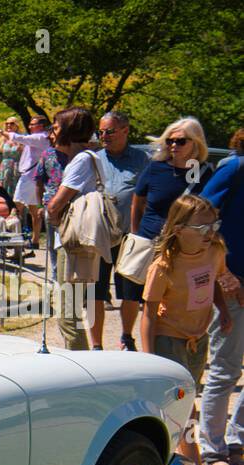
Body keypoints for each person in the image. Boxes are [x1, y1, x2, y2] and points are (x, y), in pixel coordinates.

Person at [141, 193, 234, 465]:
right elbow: (149, 316)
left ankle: (167, 456)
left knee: (174, 412)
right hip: (170, 339)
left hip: (199, 338)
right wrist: (150, 358)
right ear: (178, 229)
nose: (211, 231)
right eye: (203, 226)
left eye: (214, 224)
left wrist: (224, 311)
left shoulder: (214, 252)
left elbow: (216, 282)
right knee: (187, 410)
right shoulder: (163, 266)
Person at [198, 128, 244, 465]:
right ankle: (213, 449)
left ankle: (238, 441)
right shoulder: (234, 168)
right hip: (233, 284)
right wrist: (223, 271)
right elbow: (201, 219)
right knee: (225, 367)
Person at [44, 106, 102, 349]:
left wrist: (51, 215)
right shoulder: (92, 157)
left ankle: (80, 365)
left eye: (56, 128)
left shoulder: (79, 160)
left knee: (68, 314)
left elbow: (55, 205)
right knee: (73, 310)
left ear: (69, 130)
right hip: (83, 245)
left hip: (73, 245)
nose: (51, 133)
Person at [92, 111, 150, 350]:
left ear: (126, 131)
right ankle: (96, 345)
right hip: (99, 235)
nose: (104, 136)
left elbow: (148, 194)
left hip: (130, 236)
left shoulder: (142, 159)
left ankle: (126, 337)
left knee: (130, 291)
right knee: (95, 290)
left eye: (110, 131)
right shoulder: (94, 158)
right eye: (101, 131)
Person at [132, 117, 212, 249]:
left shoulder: (204, 173)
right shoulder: (155, 168)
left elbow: (209, 213)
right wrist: (135, 235)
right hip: (148, 243)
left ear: (195, 142)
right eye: (170, 141)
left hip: (184, 247)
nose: (174, 145)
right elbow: (137, 203)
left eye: (181, 141)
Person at [0, 114, 51, 245]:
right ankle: (35, 240)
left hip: (29, 178)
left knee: (15, 207)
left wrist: (1, 132)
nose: (29, 126)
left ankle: (11, 240)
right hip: (34, 177)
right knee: (33, 210)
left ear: (40, 126)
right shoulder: (41, 138)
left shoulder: (39, 136)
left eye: (32, 124)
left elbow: (19, 137)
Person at [0, 117, 22, 203]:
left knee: (17, 192)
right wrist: (0, 164)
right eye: (7, 123)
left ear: (16, 125)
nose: (9, 125)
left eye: (11, 123)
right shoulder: (2, 139)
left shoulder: (21, 138)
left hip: (17, 168)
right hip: (5, 169)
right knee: (4, 190)